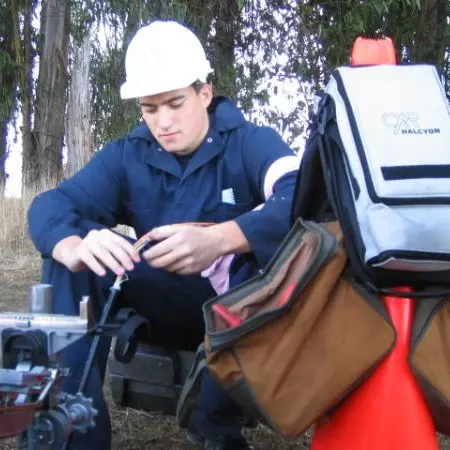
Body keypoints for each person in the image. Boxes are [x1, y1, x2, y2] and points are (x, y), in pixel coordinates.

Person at [27, 20, 300, 450]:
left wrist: (223, 239)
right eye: (150, 109)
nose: (163, 122)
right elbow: (51, 206)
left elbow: (302, 195)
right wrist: (76, 246)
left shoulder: (250, 143)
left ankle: (217, 425)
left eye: (175, 103)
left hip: (238, 312)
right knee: (68, 262)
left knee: (269, 270)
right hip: (162, 303)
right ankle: (73, 430)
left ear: (204, 94)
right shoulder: (127, 155)